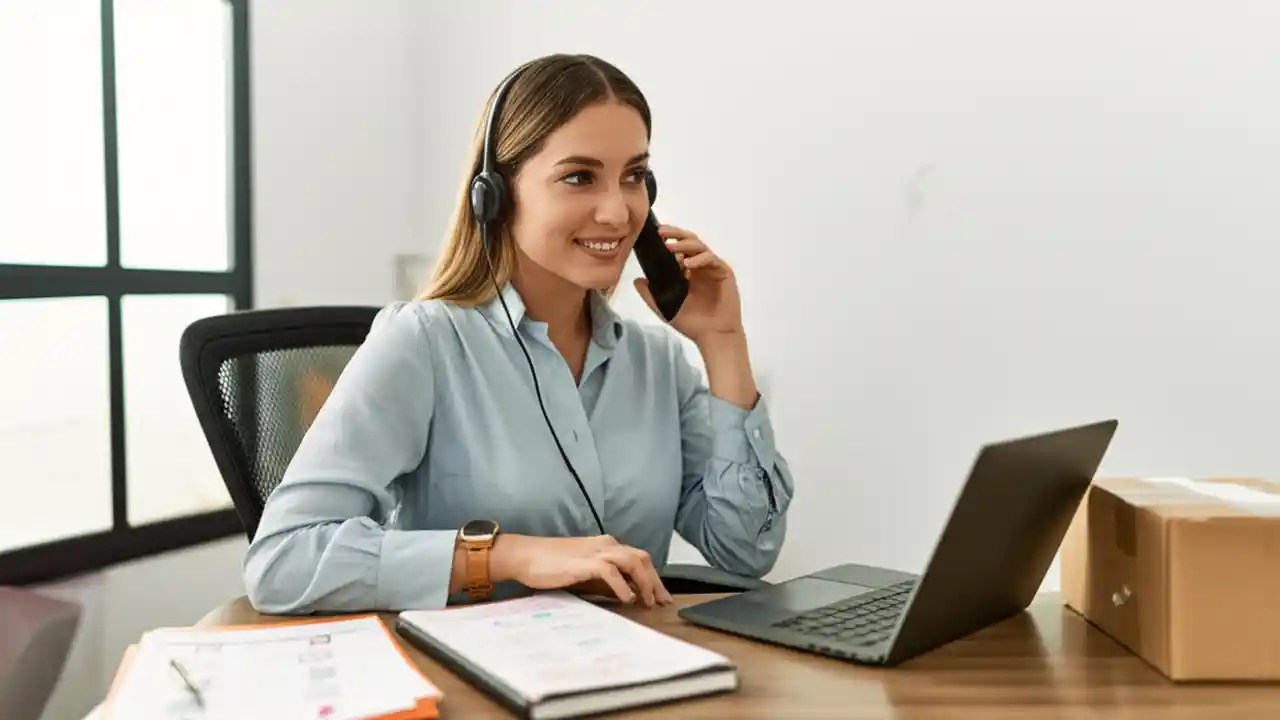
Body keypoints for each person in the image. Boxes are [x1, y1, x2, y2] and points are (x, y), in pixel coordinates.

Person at [243, 53, 795, 614]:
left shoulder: (657, 363)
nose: (617, 212)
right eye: (579, 177)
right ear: (496, 196)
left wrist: (723, 342)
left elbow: (744, 552)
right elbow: (284, 561)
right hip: (471, 683)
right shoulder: (425, 343)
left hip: (636, 678)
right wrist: (511, 556)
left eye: (633, 177)